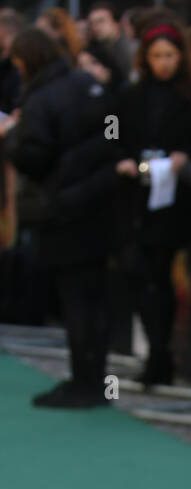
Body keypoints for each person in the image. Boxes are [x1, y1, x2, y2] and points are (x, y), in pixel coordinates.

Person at [4, 25, 120, 407]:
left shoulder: (42, 98)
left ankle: (84, 383)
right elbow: (112, 138)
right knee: (94, 299)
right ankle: (93, 380)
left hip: (63, 209)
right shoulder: (85, 84)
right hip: (97, 205)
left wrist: (10, 137)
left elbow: (35, 158)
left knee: (77, 300)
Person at [114, 11, 191, 386]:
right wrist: (125, 159)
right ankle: (156, 351)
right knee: (141, 275)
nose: (163, 64)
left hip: (176, 201)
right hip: (138, 199)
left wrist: (183, 157)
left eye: (170, 56)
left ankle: (166, 355)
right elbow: (117, 136)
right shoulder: (132, 96)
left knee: (164, 277)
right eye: (157, 56)